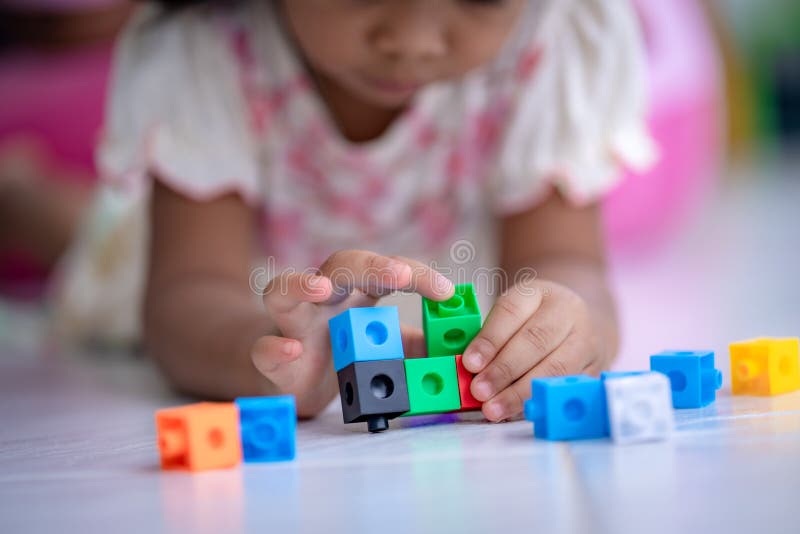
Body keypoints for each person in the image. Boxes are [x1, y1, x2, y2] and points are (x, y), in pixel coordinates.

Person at [70, 0, 657, 420]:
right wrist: (266, 358)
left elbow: (567, 263)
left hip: (418, 314)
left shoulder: (551, 37)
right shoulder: (207, 48)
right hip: (235, 298)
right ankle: (34, 203)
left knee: (100, 226)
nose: (414, 40)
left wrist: (579, 331)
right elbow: (187, 290)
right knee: (101, 261)